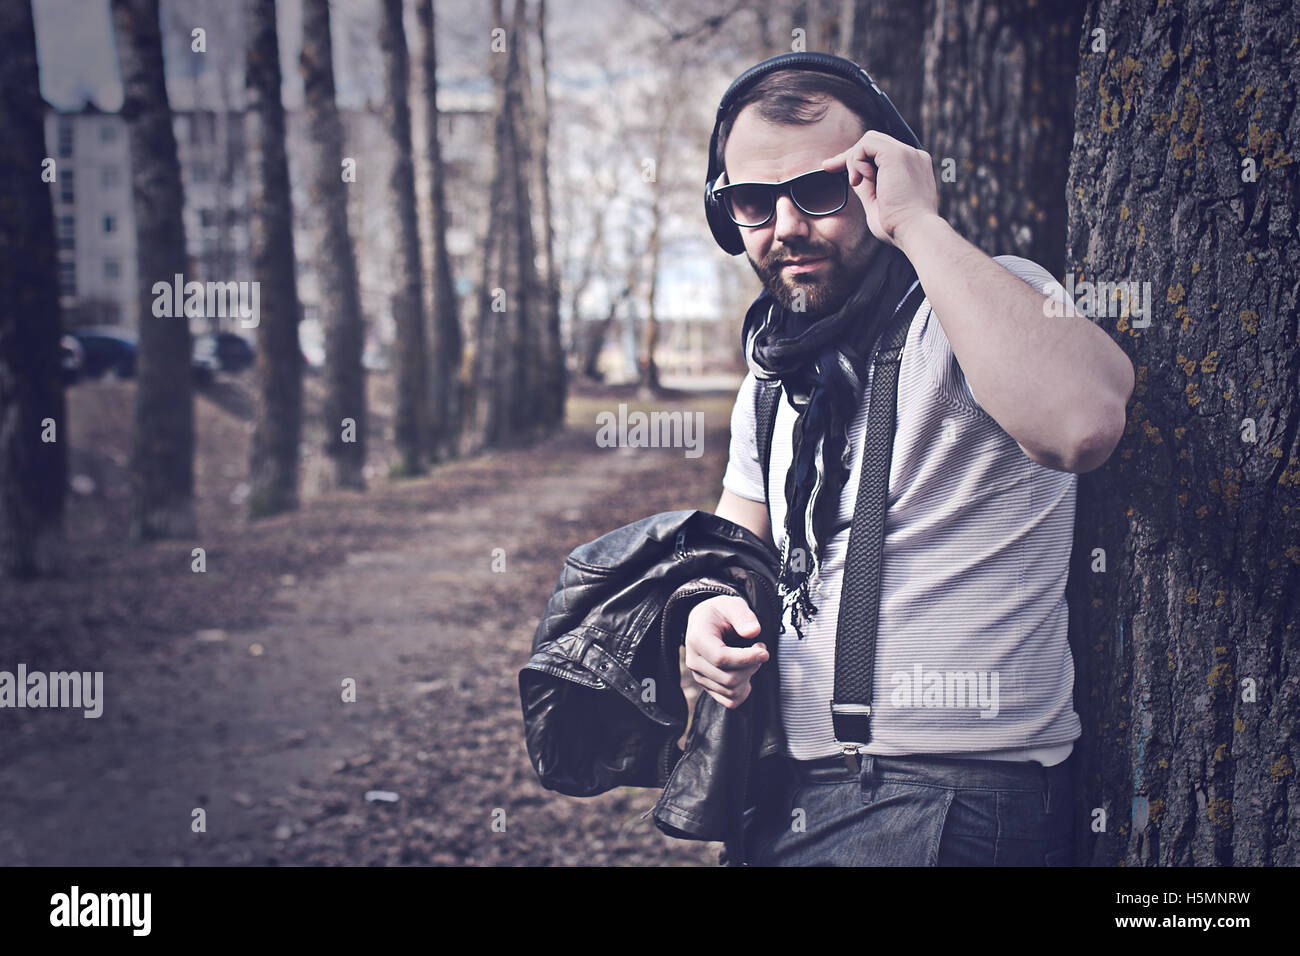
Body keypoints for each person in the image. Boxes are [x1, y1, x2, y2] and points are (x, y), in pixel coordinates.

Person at [684, 56, 1135, 866]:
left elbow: (1084, 421)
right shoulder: (777, 363)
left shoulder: (984, 305)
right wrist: (704, 614)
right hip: (784, 793)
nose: (785, 226)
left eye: (820, 190)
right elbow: (733, 547)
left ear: (880, 175)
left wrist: (917, 223)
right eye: (751, 201)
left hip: (945, 801)